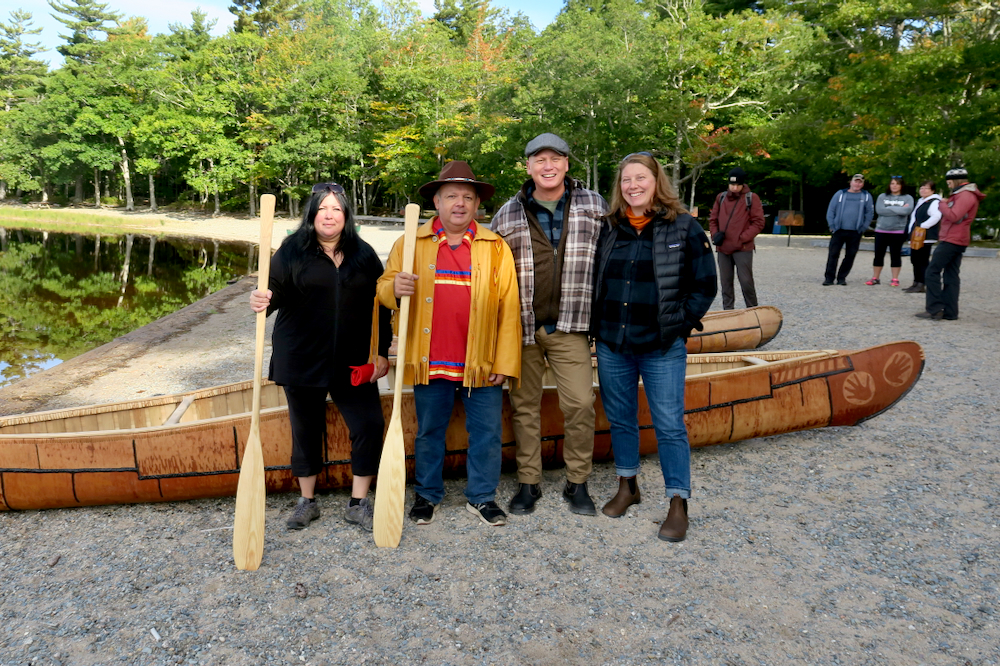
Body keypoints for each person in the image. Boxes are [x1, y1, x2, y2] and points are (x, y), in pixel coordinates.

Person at [378, 161, 521, 527]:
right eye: (452, 196)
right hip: (429, 360)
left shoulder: (495, 247)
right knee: (429, 432)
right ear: (437, 203)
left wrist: (504, 362)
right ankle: (427, 495)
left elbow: (509, 308)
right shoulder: (410, 243)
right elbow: (381, 289)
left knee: (487, 434)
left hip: (481, 362)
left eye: (468, 197)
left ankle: (482, 497)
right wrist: (395, 289)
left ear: (477, 206)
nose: (460, 203)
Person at [249, 183, 391, 531]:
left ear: (346, 216)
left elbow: (381, 308)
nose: (329, 215)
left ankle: (358, 502)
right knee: (306, 430)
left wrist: (382, 353)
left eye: (337, 209)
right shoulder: (292, 251)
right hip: (300, 356)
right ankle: (306, 501)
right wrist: (261, 299)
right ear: (311, 214)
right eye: (323, 208)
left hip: (352, 359)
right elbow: (273, 293)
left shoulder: (364, 255)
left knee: (369, 425)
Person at [591, 152, 717, 542]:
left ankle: (678, 501)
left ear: (655, 181)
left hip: (662, 345)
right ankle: (627, 485)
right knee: (622, 418)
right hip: (615, 341)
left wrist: (678, 323)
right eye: (626, 180)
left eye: (640, 178)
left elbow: (705, 285)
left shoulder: (683, 227)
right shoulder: (608, 227)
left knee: (668, 424)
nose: (633, 186)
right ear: (620, 187)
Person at [490, 133, 608, 516]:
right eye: (539, 159)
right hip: (521, 328)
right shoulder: (507, 213)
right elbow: (491, 275)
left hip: (571, 325)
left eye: (555, 158)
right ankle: (529, 483)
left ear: (567, 164)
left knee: (580, 404)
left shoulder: (594, 205)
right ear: (528, 167)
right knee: (524, 407)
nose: (547, 165)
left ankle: (578, 481)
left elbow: (613, 258)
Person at [916, 167, 986, 320]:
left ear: (954, 181)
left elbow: (954, 216)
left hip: (952, 239)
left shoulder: (965, 195)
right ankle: (950, 311)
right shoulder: (964, 194)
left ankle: (935, 308)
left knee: (932, 271)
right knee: (951, 275)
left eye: (948, 182)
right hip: (957, 238)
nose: (948, 185)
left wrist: (942, 205)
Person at [708, 166, 765, 309]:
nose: (734, 187)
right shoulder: (721, 198)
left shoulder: (751, 198)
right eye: (732, 184)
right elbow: (713, 219)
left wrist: (743, 237)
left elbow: (758, 222)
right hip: (723, 247)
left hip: (743, 247)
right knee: (725, 283)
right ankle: (728, 312)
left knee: (746, 281)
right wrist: (715, 235)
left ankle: (753, 309)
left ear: (742, 184)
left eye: (737, 184)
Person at [823, 173, 874, 286]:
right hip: (838, 229)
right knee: (833, 254)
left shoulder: (866, 196)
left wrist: (863, 227)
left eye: (860, 182)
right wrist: (832, 225)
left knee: (850, 255)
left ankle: (842, 277)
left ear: (862, 184)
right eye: (855, 181)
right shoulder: (840, 194)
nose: (857, 183)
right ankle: (829, 278)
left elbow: (869, 213)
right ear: (851, 182)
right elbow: (831, 210)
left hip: (855, 231)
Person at [866, 176, 914, 287]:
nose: (894, 186)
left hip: (898, 231)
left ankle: (895, 278)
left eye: (897, 184)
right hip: (881, 230)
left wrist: (889, 208)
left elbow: (907, 211)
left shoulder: (907, 198)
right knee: (878, 254)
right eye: (892, 183)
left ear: (901, 185)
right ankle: (875, 277)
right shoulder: (882, 197)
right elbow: (880, 210)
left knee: (896, 255)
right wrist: (899, 209)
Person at [903, 181, 942, 293]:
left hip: (925, 236)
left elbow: (936, 216)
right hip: (916, 235)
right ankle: (916, 282)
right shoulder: (921, 201)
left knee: (922, 260)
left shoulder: (934, 202)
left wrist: (923, 226)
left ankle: (922, 283)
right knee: (915, 259)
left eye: (926, 188)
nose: (923, 190)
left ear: (932, 191)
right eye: (921, 188)